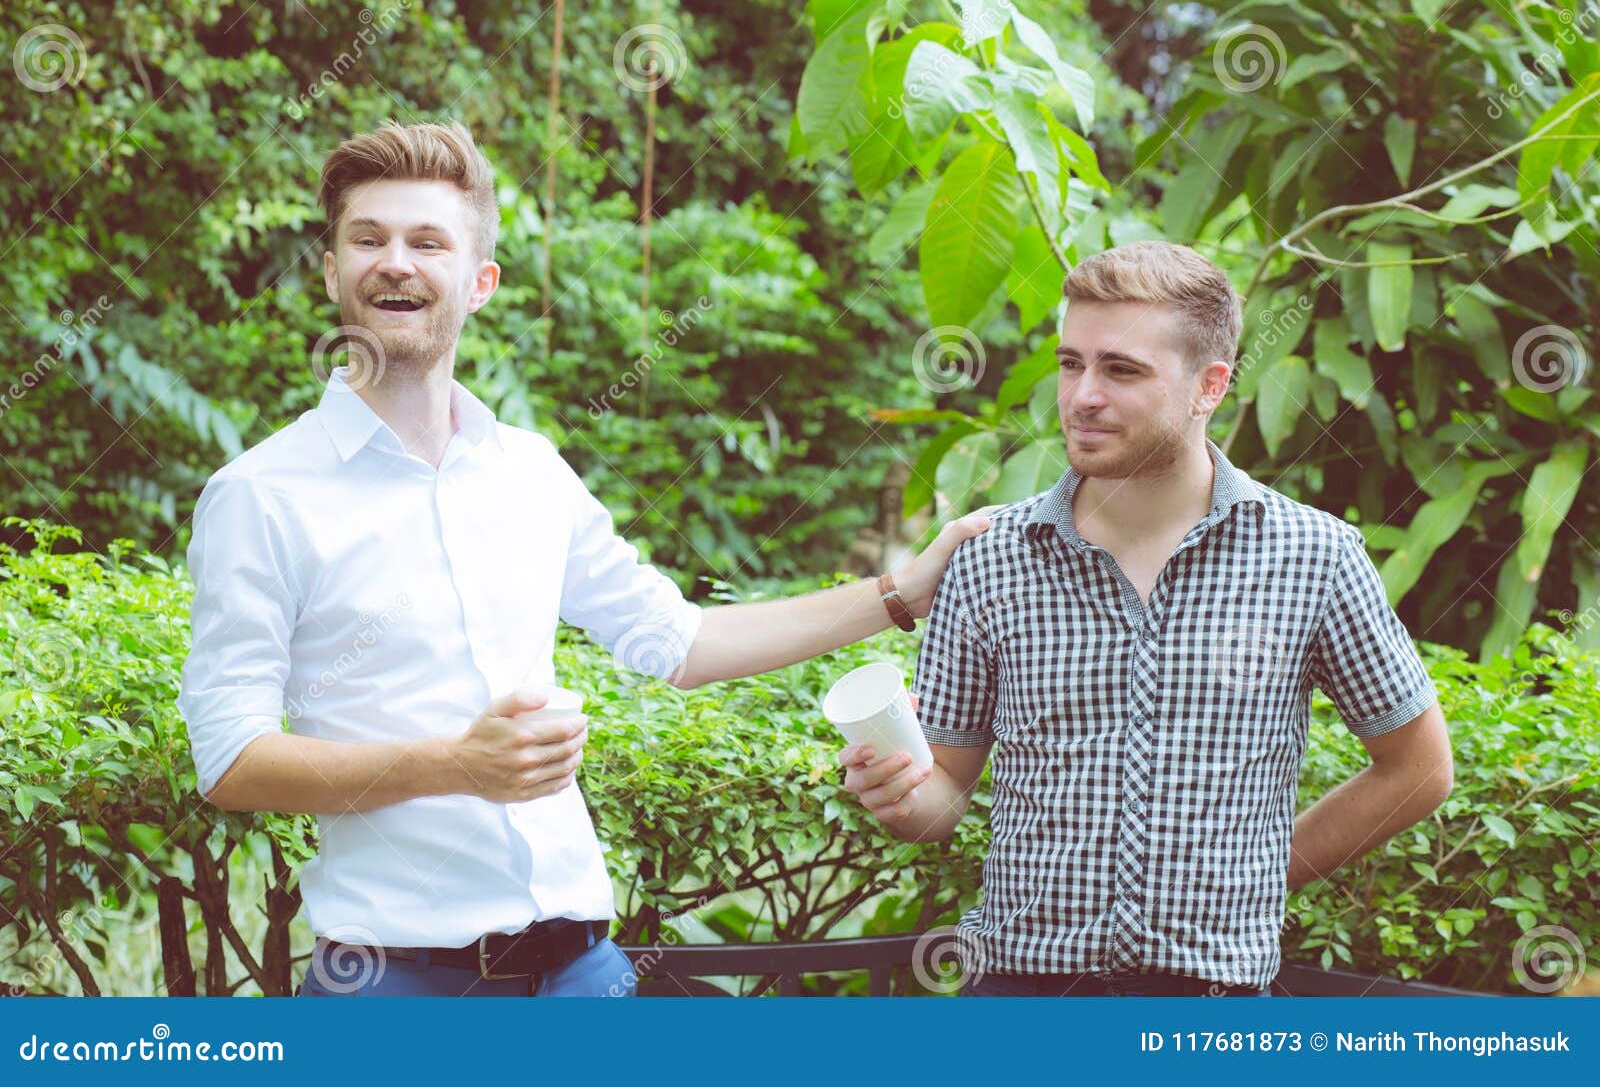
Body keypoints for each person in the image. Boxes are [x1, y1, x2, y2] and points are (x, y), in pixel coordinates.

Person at [177, 120, 990, 998]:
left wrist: (899, 593)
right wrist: (454, 764)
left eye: (428, 242)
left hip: (584, 975)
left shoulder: (530, 469)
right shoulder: (260, 493)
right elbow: (230, 758)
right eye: (367, 239)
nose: (396, 262)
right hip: (392, 988)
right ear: (333, 270)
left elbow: (680, 642)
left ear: (479, 281)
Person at [841, 241, 1454, 997]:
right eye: (1072, 363)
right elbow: (944, 799)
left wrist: (1256, 875)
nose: (1082, 395)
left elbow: (1420, 766)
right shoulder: (989, 556)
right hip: (1019, 997)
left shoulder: (1313, 556)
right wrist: (898, 793)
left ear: (1209, 386)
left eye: (1121, 369)